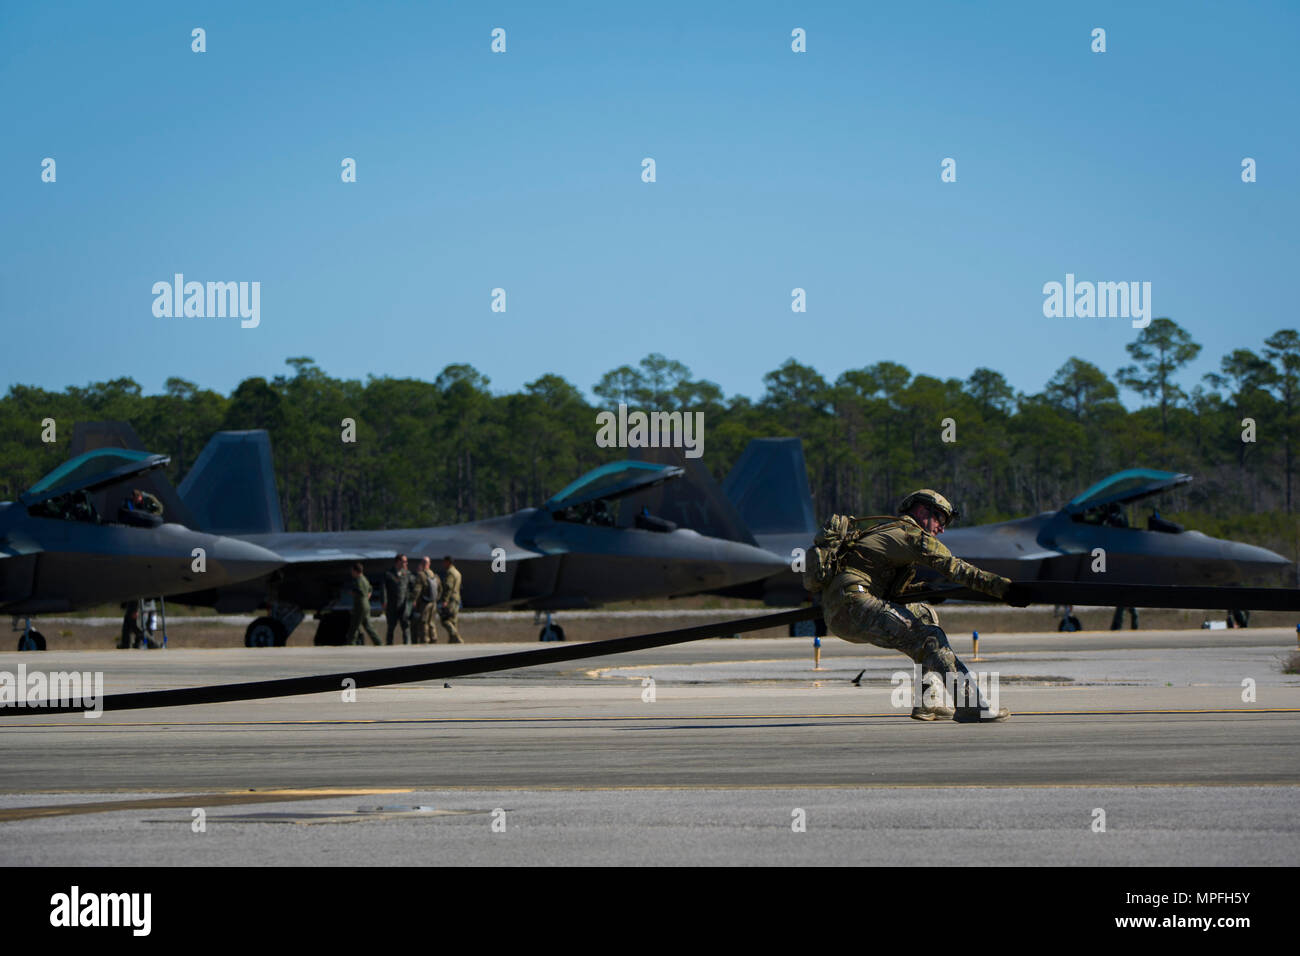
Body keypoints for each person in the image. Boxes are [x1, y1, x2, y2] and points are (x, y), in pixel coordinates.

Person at [819, 489, 1015, 722]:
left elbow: (890, 591)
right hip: (856, 604)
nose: (941, 528)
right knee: (930, 638)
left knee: (924, 615)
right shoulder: (910, 534)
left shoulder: (885, 530)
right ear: (923, 511)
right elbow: (955, 568)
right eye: (941, 519)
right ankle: (970, 704)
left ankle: (928, 703)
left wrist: (926, 590)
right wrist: (1003, 588)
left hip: (840, 610)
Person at [344, 563, 382, 646]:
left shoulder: (359, 580)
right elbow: (370, 589)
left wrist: (352, 593)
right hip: (366, 604)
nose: (351, 573)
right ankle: (378, 642)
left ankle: (351, 643)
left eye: (352, 571)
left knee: (354, 625)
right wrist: (367, 596)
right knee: (367, 625)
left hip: (360, 605)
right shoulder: (365, 579)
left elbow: (359, 591)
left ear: (355, 571)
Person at [382, 553, 411, 645]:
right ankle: (389, 644)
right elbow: (383, 589)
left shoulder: (407, 574)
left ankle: (407, 644)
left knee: (405, 626)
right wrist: (384, 601)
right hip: (392, 604)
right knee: (391, 626)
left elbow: (412, 587)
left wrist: (410, 601)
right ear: (398, 562)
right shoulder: (388, 574)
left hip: (403, 604)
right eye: (404, 561)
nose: (406, 563)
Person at [437, 555, 463, 644]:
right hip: (457, 599)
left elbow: (448, 587)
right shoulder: (457, 572)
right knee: (453, 620)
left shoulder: (450, 573)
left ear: (448, 562)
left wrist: (445, 600)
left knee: (445, 620)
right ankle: (452, 640)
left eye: (444, 562)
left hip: (451, 599)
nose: (443, 564)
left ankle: (456, 636)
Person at [420, 556, 442, 643]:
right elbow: (440, 589)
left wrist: (414, 600)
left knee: (424, 621)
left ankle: (425, 639)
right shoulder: (435, 576)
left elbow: (417, 590)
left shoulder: (421, 575)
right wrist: (436, 599)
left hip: (425, 603)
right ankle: (434, 637)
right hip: (434, 602)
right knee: (432, 621)